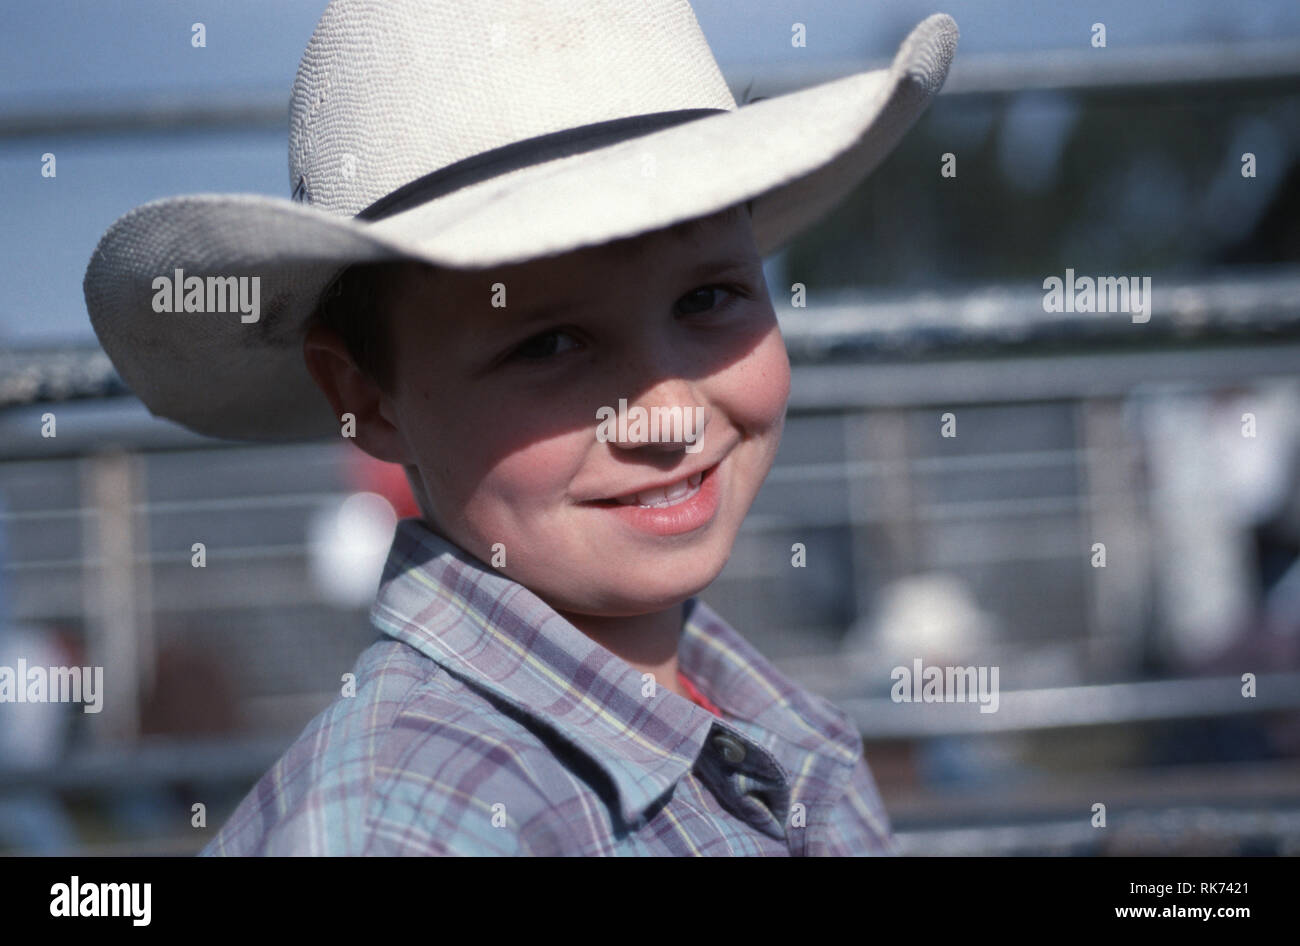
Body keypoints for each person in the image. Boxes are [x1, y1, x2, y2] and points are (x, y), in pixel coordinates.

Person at [83, 0, 958, 855]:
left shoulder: (764, 726)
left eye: (709, 296)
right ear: (369, 396)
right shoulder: (406, 830)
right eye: (548, 344)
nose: (671, 415)